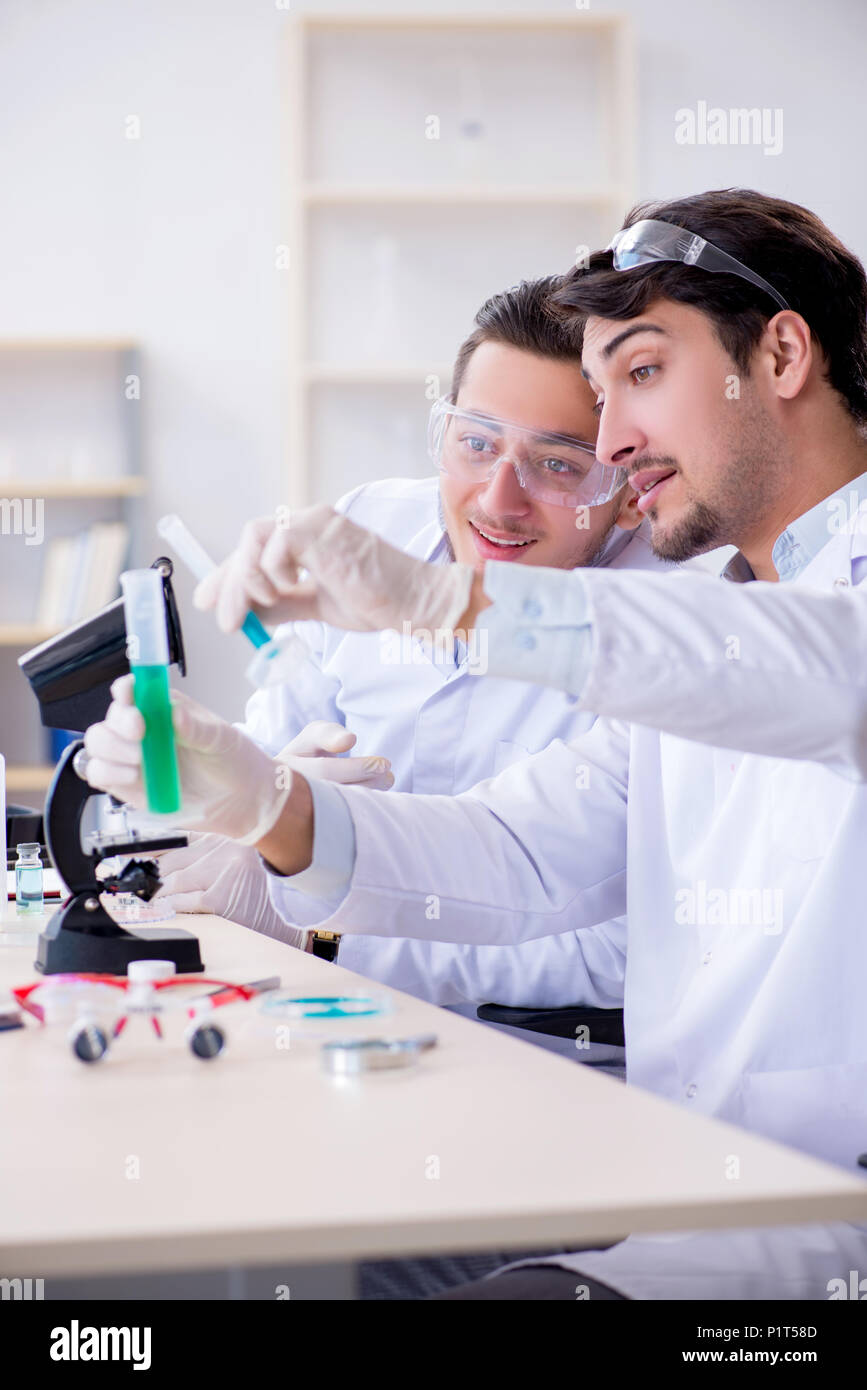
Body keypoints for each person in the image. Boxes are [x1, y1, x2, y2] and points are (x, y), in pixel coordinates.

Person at [86, 189, 867, 1300]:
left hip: (820, 1237)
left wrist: (454, 603)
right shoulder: (728, 603)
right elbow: (524, 852)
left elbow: (823, 670)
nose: (611, 443)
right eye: (601, 397)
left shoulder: (778, 623)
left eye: (640, 375)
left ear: (782, 352)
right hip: (702, 1197)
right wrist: (268, 808)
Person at [156, 276, 667, 1063]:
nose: (499, 500)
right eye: (476, 443)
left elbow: (619, 952)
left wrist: (325, 924)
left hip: (557, 1062)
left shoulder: (667, 623)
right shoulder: (367, 530)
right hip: (319, 1027)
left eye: (557, 466)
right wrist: (255, 805)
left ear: (625, 490)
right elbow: (262, 774)